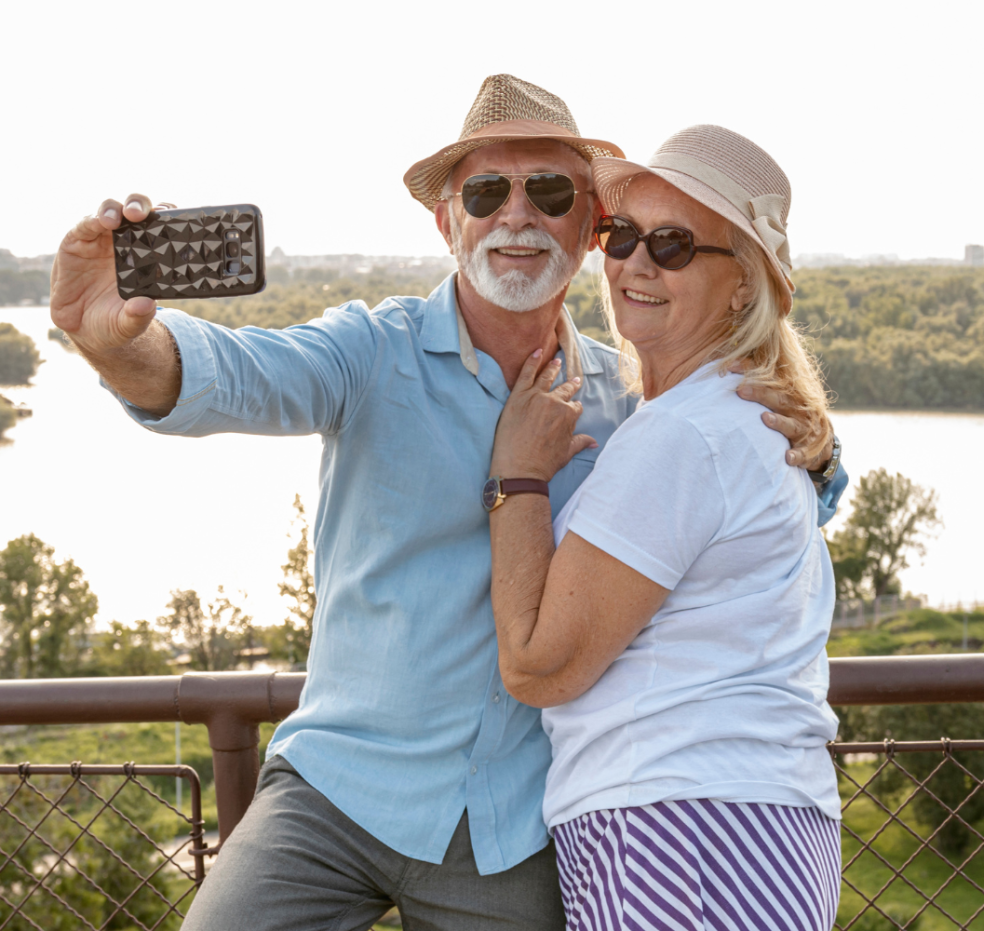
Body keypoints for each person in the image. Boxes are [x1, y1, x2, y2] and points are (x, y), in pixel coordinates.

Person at [49, 77, 845, 931]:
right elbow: (231, 376)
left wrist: (821, 449)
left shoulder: (629, 399)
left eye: (550, 192)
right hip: (340, 789)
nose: (516, 216)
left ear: (588, 228)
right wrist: (115, 344)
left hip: (512, 821)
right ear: (447, 223)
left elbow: (747, 490)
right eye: (485, 192)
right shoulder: (370, 352)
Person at [486, 124, 842, 931]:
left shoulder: (685, 434)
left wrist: (519, 478)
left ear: (743, 285)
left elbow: (540, 665)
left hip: (677, 828)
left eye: (674, 245)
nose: (635, 264)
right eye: (621, 235)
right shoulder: (739, 416)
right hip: (745, 828)